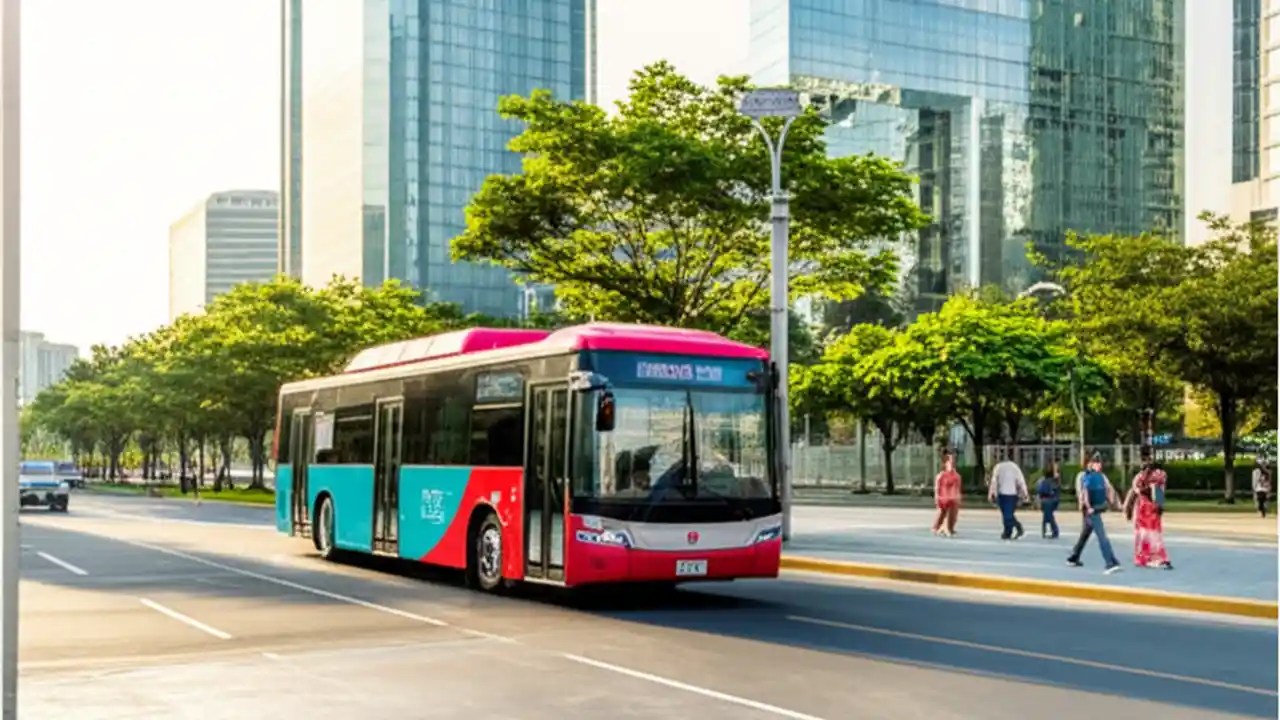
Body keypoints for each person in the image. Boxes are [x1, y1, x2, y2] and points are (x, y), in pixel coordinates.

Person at [1066, 453, 1122, 574]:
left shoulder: (1093, 476)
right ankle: (1110, 562)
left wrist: (1115, 503)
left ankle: (1074, 557)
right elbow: (1083, 493)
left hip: (1091, 509)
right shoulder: (1085, 476)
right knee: (1102, 536)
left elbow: (1108, 489)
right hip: (1091, 509)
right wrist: (1115, 504)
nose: (1097, 465)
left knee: (1085, 533)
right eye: (1094, 462)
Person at [1127, 452, 1172, 569]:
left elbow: (1135, 491)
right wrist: (1160, 505)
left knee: (1144, 533)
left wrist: (1129, 507)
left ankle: (1142, 557)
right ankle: (1156, 557)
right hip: (1149, 506)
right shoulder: (1159, 475)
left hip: (1143, 506)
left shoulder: (1140, 476)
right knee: (1153, 533)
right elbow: (1158, 491)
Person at [988, 448, 1028, 540]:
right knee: (1008, 514)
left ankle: (1018, 528)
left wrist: (991, 494)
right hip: (1012, 494)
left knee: (1007, 515)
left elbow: (994, 482)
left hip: (1002, 494)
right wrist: (1024, 493)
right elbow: (1021, 481)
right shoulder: (1015, 467)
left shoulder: (998, 467)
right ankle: (1007, 532)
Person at [932, 449, 962, 537]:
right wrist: (937, 497)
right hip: (945, 497)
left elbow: (958, 487)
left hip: (953, 497)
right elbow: (937, 487)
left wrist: (958, 497)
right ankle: (941, 528)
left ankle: (948, 528)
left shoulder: (956, 476)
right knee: (942, 513)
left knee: (952, 514)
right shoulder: (942, 475)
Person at [1036, 462, 1061, 539]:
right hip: (1052, 499)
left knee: (1047, 515)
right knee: (1048, 515)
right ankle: (1051, 530)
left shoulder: (1043, 481)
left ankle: (1050, 530)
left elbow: (1039, 491)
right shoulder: (1054, 480)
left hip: (1046, 499)